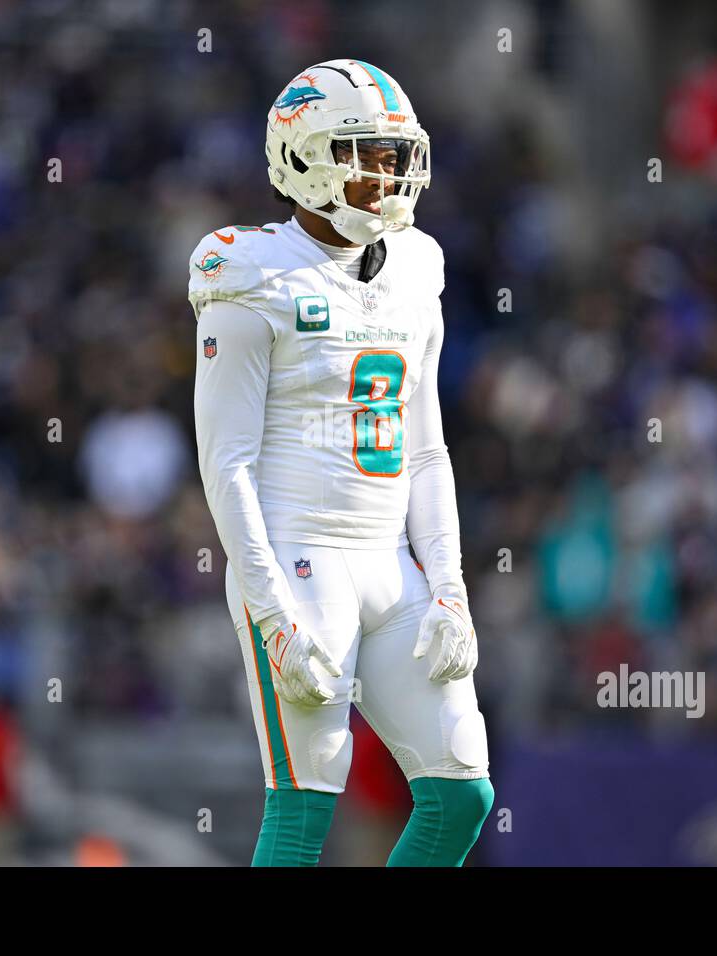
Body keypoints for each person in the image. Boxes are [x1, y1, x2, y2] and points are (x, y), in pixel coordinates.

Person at [189, 59, 493, 867]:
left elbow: (426, 444)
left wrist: (451, 588)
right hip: (297, 560)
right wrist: (271, 611)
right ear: (304, 156)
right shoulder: (251, 271)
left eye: (399, 154)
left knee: (463, 789)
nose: (391, 172)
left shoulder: (417, 264)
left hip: (393, 564)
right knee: (306, 803)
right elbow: (228, 464)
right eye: (369, 151)